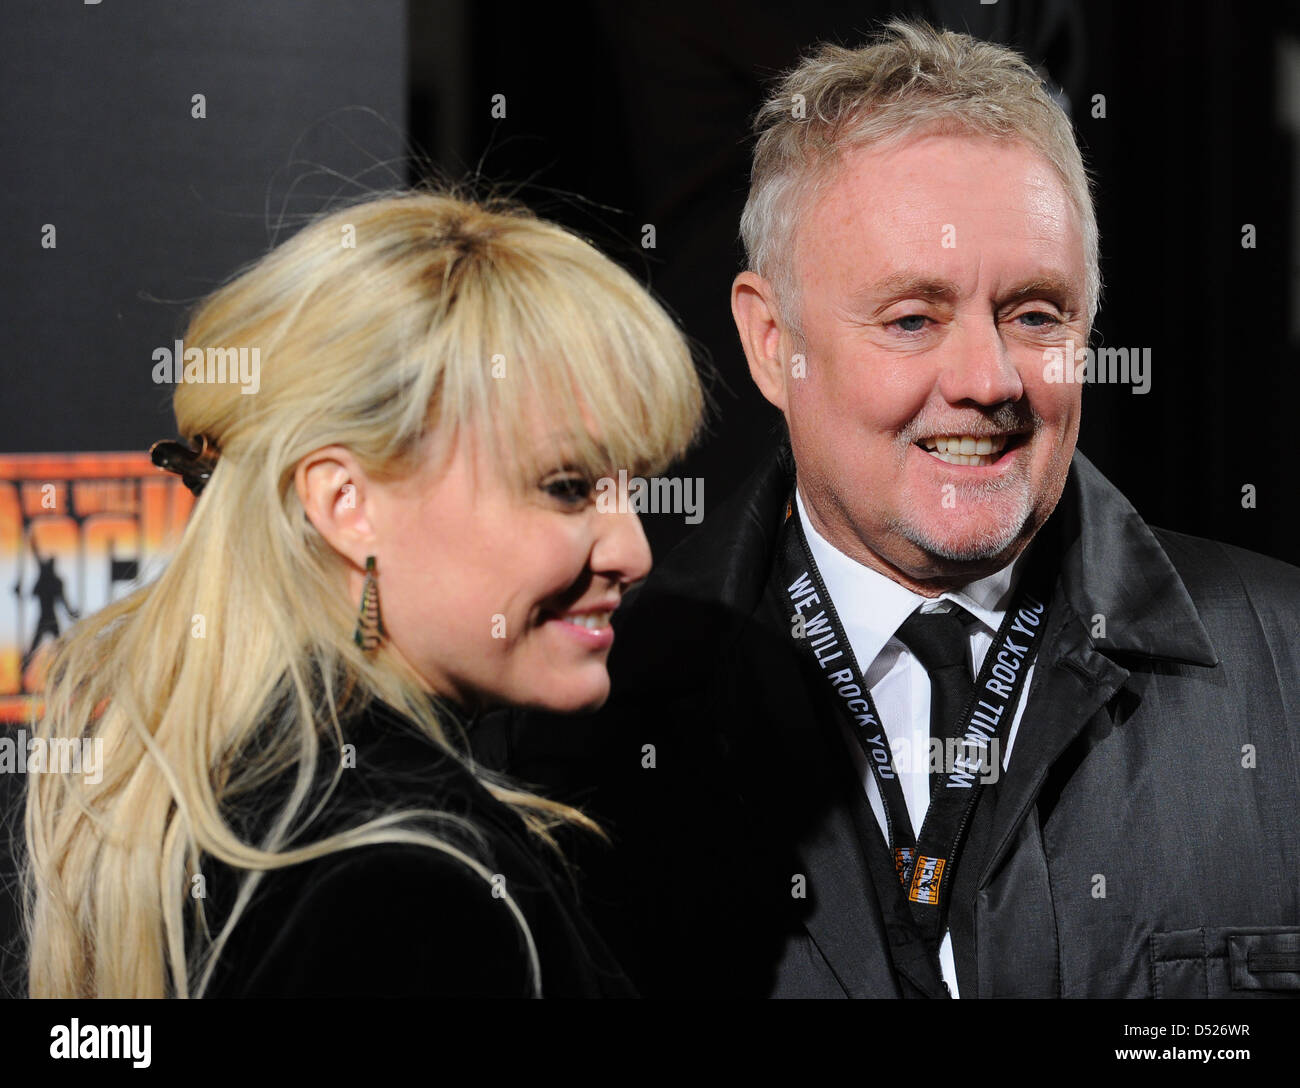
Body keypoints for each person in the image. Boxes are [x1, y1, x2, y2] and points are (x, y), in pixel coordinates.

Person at [507, 20, 1300, 998]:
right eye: (912, 318)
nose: (985, 378)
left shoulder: (1286, 669)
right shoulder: (595, 729)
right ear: (769, 342)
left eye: (1035, 313)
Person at [17, 190, 703, 998]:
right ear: (347, 504)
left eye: (633, 488)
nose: (634, 551)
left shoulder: (239, 803)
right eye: (566, 487)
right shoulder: (407, 893)